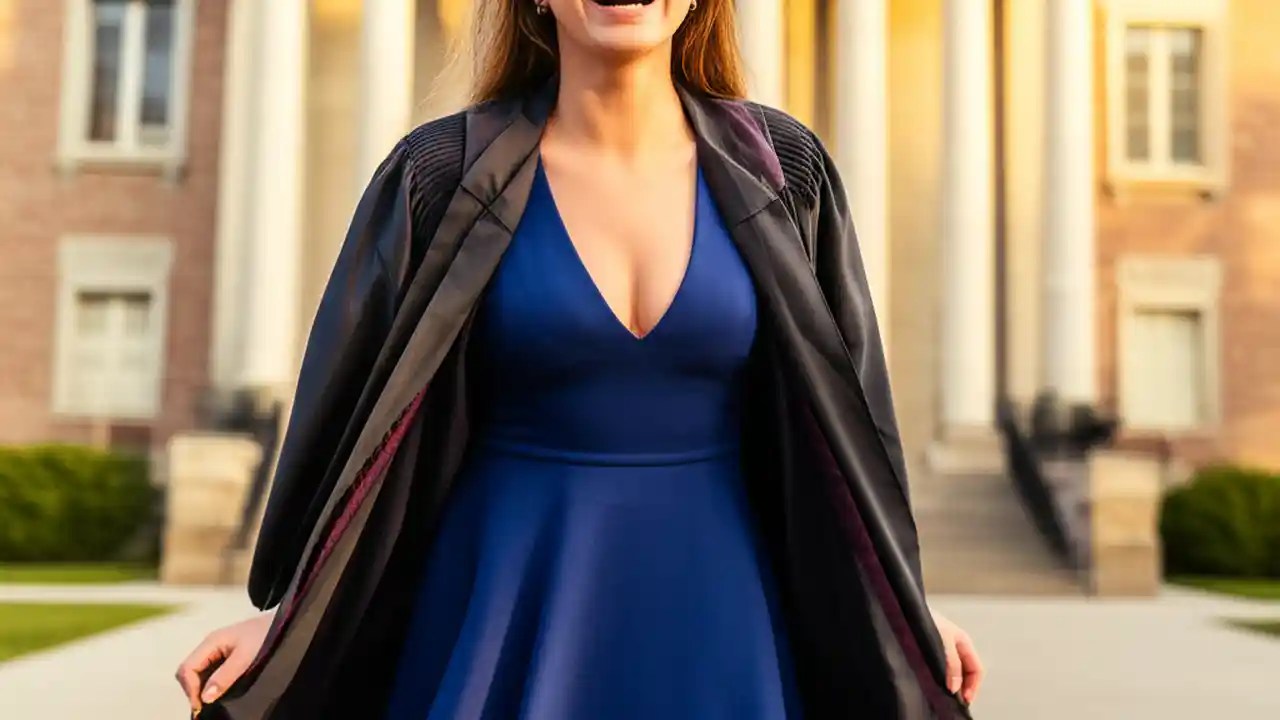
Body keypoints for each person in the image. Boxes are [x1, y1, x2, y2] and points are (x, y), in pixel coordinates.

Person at [176, 1, 985, 718]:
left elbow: (850, 422)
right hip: (503, 602)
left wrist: (898, 608)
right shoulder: (440, 178)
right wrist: (290, 624)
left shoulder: (784, 173)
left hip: (722, 606)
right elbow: (356, 425)